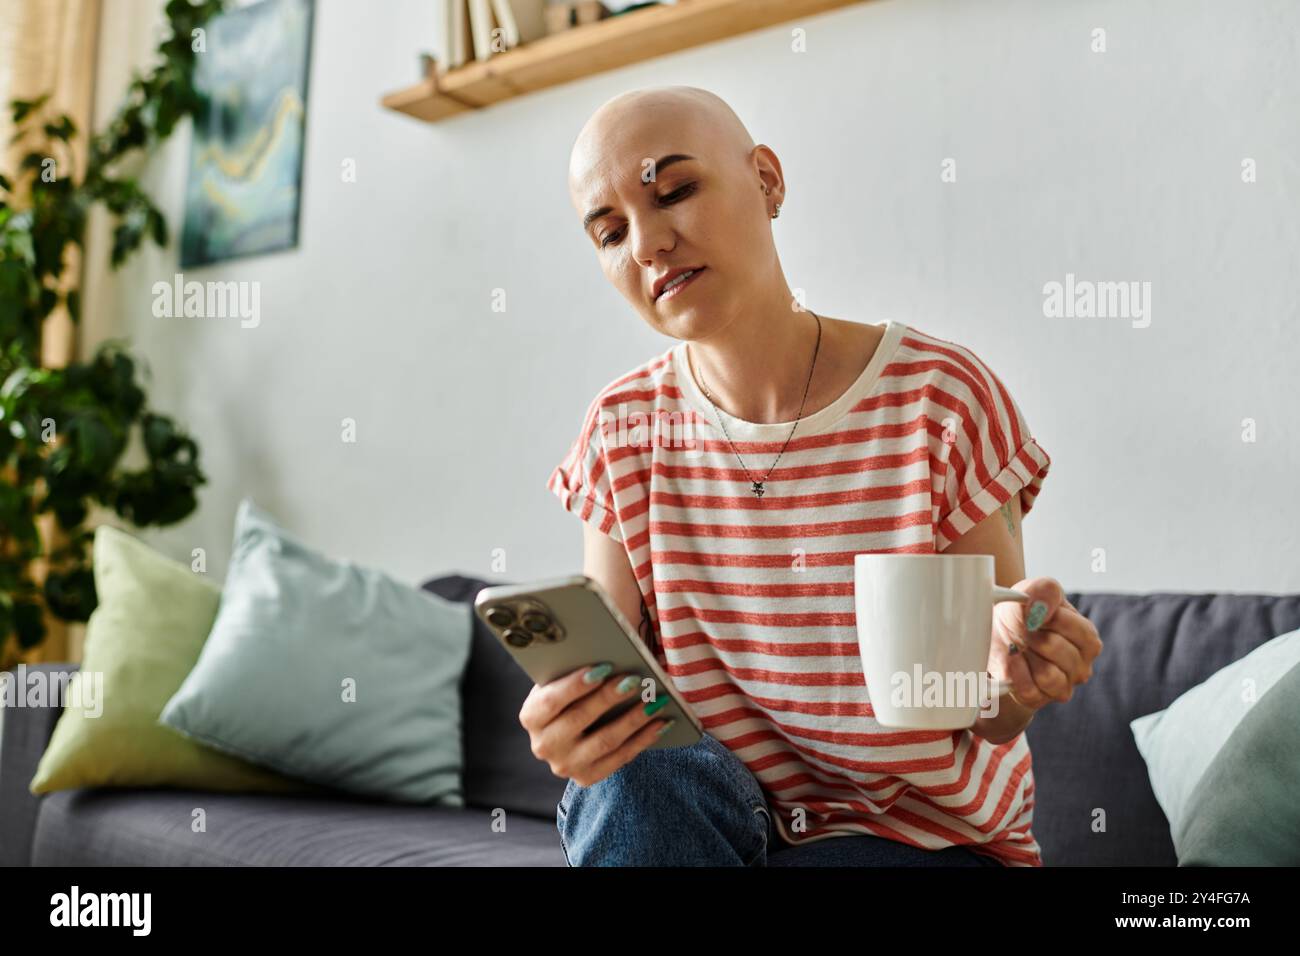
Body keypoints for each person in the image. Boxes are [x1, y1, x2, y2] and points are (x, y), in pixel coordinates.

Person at [521, 86, 1102, 867]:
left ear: (766, 181)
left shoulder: (943, 401)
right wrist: (577, 731)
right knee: (629, 777)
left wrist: (1018, 682)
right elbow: (628, 718)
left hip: (917, 843)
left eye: (676, 192)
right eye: (610, 231)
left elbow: (988, 708)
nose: (649, 243)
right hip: (716, 832)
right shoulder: (620, 432)